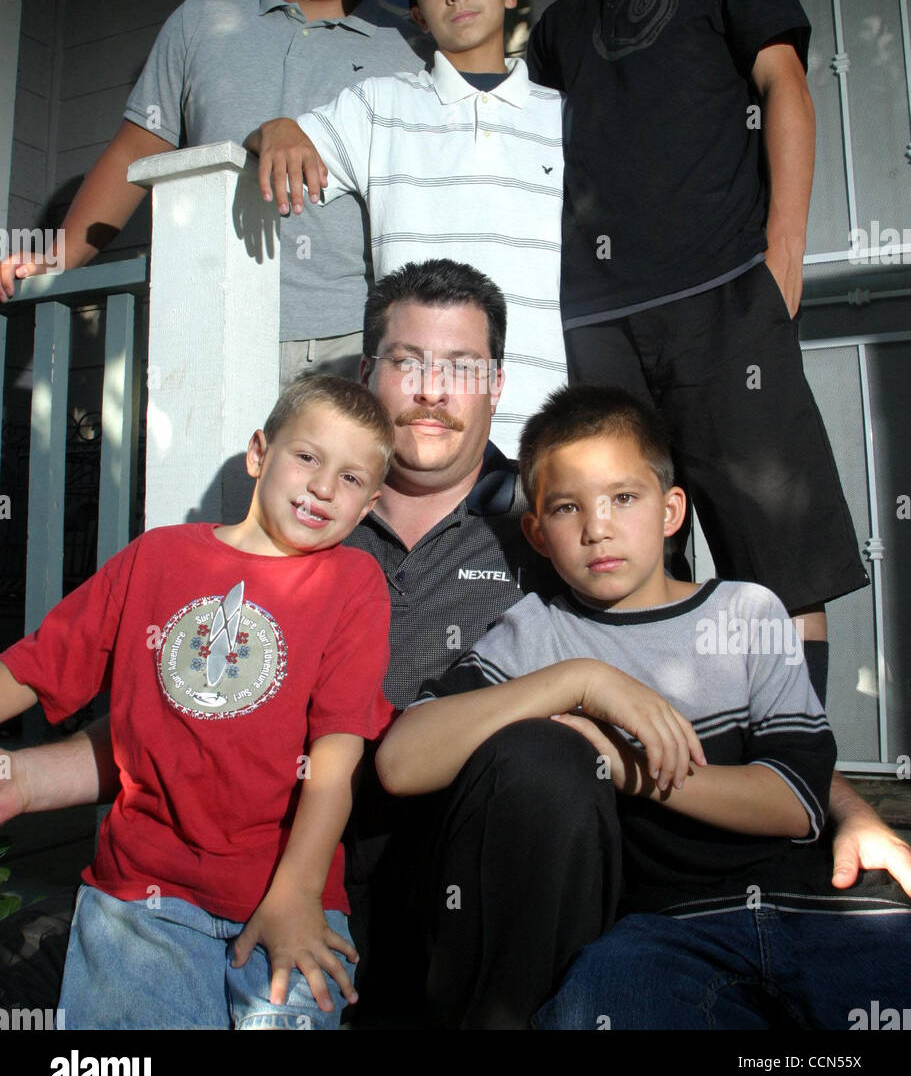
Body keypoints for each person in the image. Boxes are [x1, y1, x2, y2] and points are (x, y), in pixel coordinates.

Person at [2, 263, 910, 1023]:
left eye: (463, 366)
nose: (435, 390)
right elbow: (190, 712)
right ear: (369, 372)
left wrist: (833, 799)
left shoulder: (556, 515)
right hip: (263, 885)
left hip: (478, 894)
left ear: (496, 385)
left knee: (544, 756)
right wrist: (29, 778)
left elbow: (683, 664)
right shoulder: (296, 528)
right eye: (409, 361)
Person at [527, 0, 877, 848]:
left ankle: (797, 786)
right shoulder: (555, 18)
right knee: (620, 544)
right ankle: (653, 782)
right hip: (592, 315)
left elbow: (780, 83)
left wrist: (780, 252)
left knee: (772, 547)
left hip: (720, 292)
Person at [379, 384, 911, 1030]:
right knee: (590, 1011)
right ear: (536, 534)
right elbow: (402, 763)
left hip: (810, 906)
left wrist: (620, 761)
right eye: (567, 508)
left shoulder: (745, 612)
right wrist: (577, 679)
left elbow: (792, 801)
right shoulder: (538, 633)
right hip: (662, 932)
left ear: (670, 510)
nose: (597, 527)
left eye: (623, 498)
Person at [0, 375, 396, 1029]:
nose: (325, 486)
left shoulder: (354, 584)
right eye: (307, 457)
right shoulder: (158, 557)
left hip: (288, 894)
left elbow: (337, 752)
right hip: (141, 895)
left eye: (352, 480)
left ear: (369, 505)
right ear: (258, 453)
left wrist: (297, 894)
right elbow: (39, 667)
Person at [0, 0, 428, 383]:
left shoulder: (408, 45)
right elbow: (138, 149)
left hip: (359, 332)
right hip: (211, 318)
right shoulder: (200, 21)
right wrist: (56, 256)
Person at [248, 0, 567, 454]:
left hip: (541, 405)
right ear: (418, 14)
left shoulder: (562, 114)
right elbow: (288, 145)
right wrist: (275, 128)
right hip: (418, 410)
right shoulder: (379, 105)